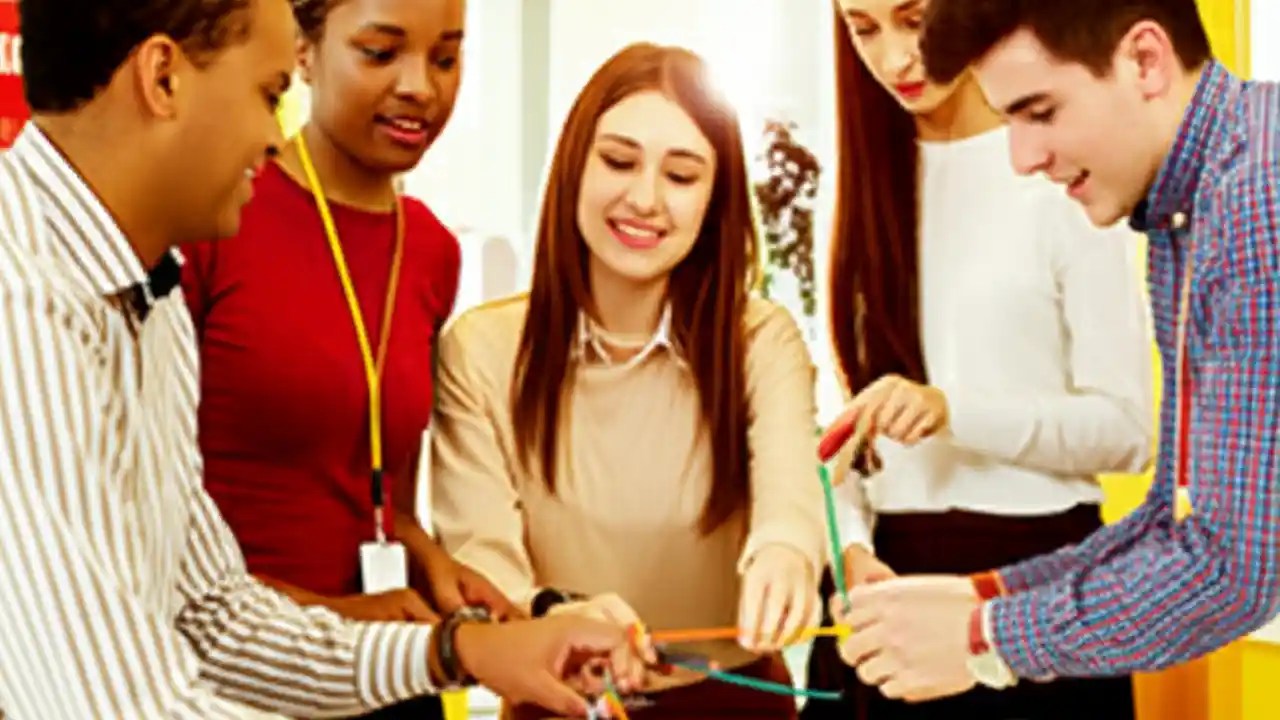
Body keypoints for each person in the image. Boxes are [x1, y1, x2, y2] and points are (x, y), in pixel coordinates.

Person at [0, 1, 641, 717]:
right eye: (269, 95)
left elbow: (213, 622)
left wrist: (456, 651)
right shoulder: (22, 299)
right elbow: (119, 707)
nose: (274, 139)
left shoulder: (147, 303)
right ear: (163, 79)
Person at [830, 0, 1280, 704]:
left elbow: (1233, 567)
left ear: (1145, 60)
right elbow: (1174, 514)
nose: (1021, 158)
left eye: (1039, 113)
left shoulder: (1255, 200)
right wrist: (986, 594)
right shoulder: (1181, 211)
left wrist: (988, 640)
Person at [429, 42, 827, 719]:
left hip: (733, 703)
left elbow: (791, 491)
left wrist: (788, 553)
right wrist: (557, 615)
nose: (644, 199)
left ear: (715, 198)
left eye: (682, 175)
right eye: (618, 161)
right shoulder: (482, 349)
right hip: (556, 699)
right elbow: (483, 559)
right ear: (574, 167)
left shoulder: (761, 340)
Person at [801, 0, 1156, 718]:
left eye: (913, 18)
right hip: (889, 596)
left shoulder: (1065, 172)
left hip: (1040, 587)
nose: (895, 59)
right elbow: (844, 435)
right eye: (862, 29)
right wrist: (852, 554)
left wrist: (950, 410)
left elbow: (1128, 431)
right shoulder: (855, 188)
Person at [179, 1, 515, 716]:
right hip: (240, 680)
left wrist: (432, 564)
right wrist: (336, 614)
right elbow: (147, 537)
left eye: (446, 58)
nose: (421, 87)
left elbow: (382, 494)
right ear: (302, 51)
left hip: (391, 676)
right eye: (380, 53)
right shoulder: (217, 213)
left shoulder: (430, 252)